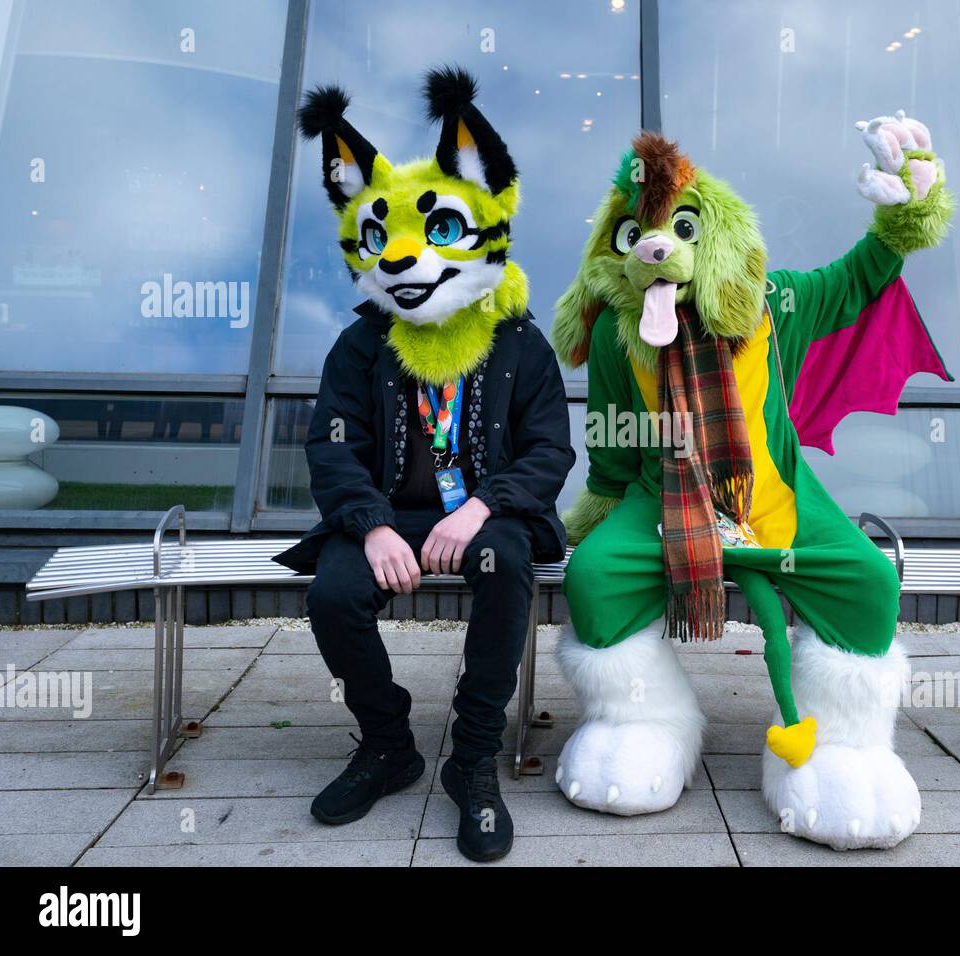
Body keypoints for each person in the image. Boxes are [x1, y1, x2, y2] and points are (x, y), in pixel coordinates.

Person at [274, 67, 574, 863]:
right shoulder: (362, 343)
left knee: (507, 569)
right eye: (381, 242)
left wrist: (483, 507)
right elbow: (331, 446)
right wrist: (370, 527)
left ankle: (472, 759)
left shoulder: (519, 342)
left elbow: (551, 448)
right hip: (388, 517)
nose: (403, 262)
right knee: (332, 592)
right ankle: (388, 744)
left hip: (486, 516)